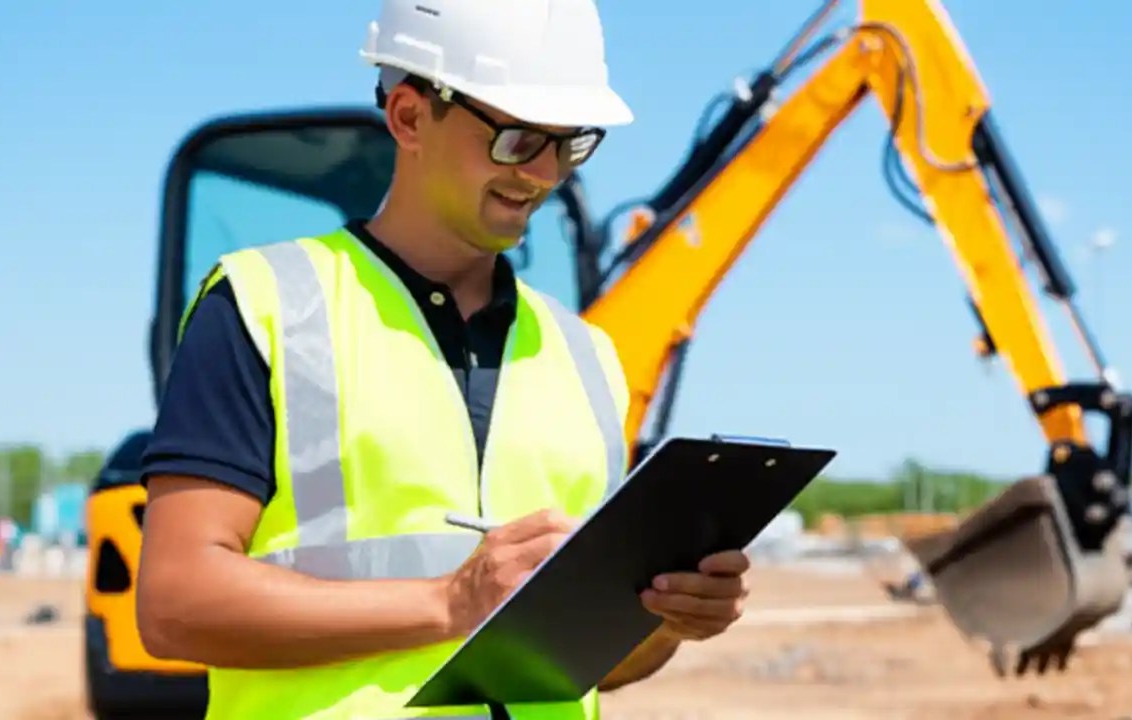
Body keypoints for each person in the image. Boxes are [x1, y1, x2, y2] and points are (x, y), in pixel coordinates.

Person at [134, 1, 752, 718]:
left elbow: (591, 660)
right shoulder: (265, 306)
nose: (545, 174)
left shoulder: (588, 358)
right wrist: (448, 604)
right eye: (519, 138)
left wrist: (666, 620)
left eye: (569, 142)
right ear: (408, 117)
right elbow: (175, 603)